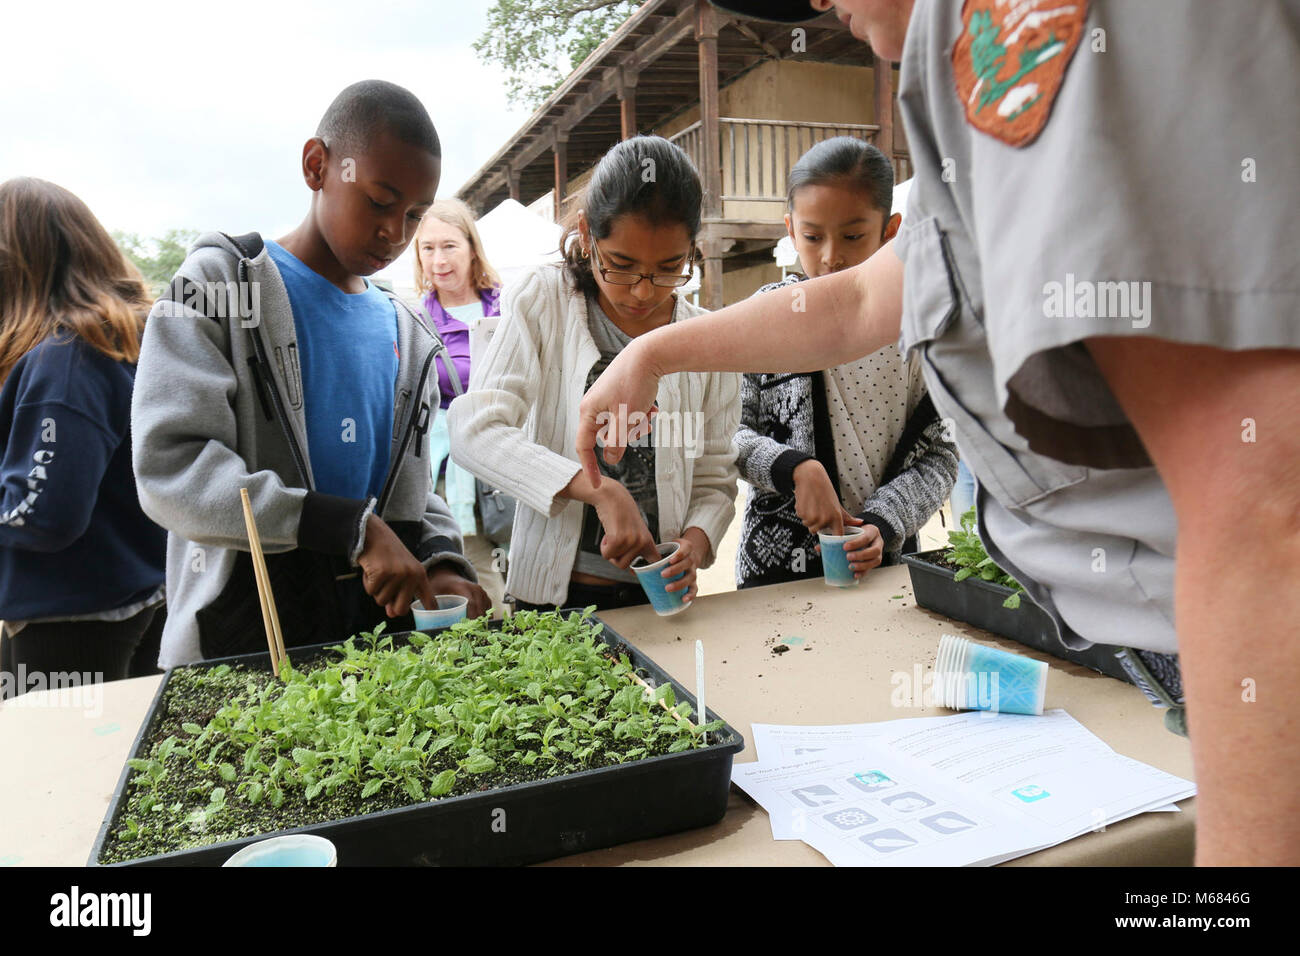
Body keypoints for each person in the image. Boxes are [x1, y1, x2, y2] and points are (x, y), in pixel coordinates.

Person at [576, 0, 1300, 866]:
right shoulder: (962, 61)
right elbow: (863, 301)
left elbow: (1265, 499)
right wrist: (654, 355)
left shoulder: (1031, 25)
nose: (817, 6)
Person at [132, 80, 489, 668]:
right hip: (241, 651)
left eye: (414, 216)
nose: (395, 234)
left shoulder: (405, 331)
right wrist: (351, 529)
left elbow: (410, 491)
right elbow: (172, 470)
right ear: (317, 165)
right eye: (379, 201)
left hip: (379, 656)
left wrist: (442, 560)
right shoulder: (220, 288)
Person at [448, 135, 740, 612]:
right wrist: (598, 490)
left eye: (669, 268)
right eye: (621, 266)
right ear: (586, 234)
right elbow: (475, 431)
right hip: (551, 602)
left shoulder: (704, 338)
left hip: (657, 600)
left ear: (692, 249)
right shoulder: (545, 301)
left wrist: (695, 542)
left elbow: (714, 475)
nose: (643, 292)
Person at [735, 137, 956, 589]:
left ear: (890, 231)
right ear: (791, 230)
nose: (831, 256)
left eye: (853, 236)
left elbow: (941, 456)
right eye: (813, 237)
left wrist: (883, 522)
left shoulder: (915, 330)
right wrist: (794, 468)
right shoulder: (763, 319)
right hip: (774, 579)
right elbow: (726, 434)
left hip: (884, 570)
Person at [0, 177, 166, 696]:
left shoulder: (66, 360)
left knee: (50, 772)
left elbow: (44, 514)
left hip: (71, 619)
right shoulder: (125, 339)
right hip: (139, 593)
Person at [412, 198, 507, 608]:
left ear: (472, 247)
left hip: (510, 452)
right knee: (478, 567)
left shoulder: (508, 307)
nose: (439, 259)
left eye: (449, 246)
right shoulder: (416, 320)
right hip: (453, 467)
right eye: (427, 248)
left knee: (524, 561)